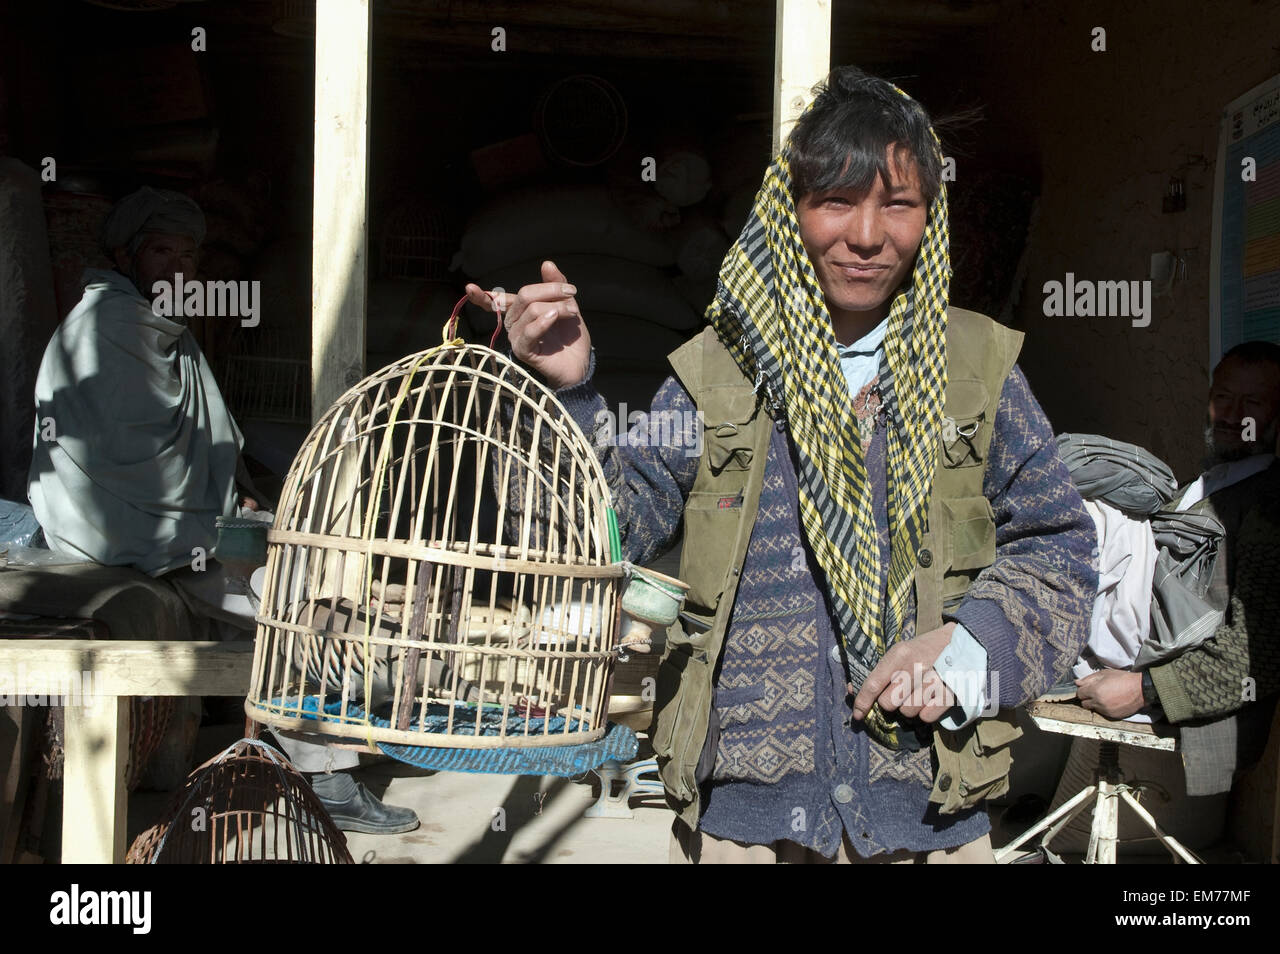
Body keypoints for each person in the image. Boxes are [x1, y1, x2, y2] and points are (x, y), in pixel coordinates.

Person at [466, 67, 1097, 863]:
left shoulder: (976, 372)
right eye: (835, 201)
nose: (867, 236)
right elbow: (605, 539)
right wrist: (568, 397)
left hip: (927, 815)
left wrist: (966, 650)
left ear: (929, 217)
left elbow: (1061, 549)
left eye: (897, 204)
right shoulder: (721, 371)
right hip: (747, 824)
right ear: (789, 213)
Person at [27, 186, 418, 834]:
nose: (178, 269)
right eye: (161, 251)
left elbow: (203, 438)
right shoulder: (109, 329)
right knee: (288, 604)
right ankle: (328, 781)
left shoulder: (156, 325)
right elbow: (130, 465)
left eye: (188, 254)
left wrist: (231, 497)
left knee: (293, 563)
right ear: (125, 254)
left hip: (176, 522)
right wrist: (217, 519)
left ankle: (285, 750)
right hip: (120, 530)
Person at [1076, 341, 1280, 794]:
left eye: (1253, 403)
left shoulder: (1277, 507)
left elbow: (1262, 654)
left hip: (1180, 720)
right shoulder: (1199, 488)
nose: (1232, 415)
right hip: (1121, 667)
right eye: (1223, 398)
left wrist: (1144, 690)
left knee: (1096, 508)